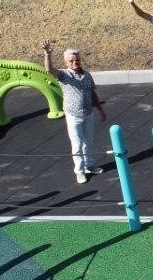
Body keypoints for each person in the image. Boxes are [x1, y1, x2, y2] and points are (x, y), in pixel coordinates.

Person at [42, 41, 107, 184]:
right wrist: (48, 54)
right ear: (66, 62)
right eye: (71, 60)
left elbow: (92, 93)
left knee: (88, 141)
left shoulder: (87, 75)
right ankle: (79, 170)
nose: (75, 62)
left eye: (77, 59)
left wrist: (100, 110)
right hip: (73, 115)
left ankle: (89, 165)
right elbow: (49, 70)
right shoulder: (64, 75)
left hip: (88, 113)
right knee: (77, 144)